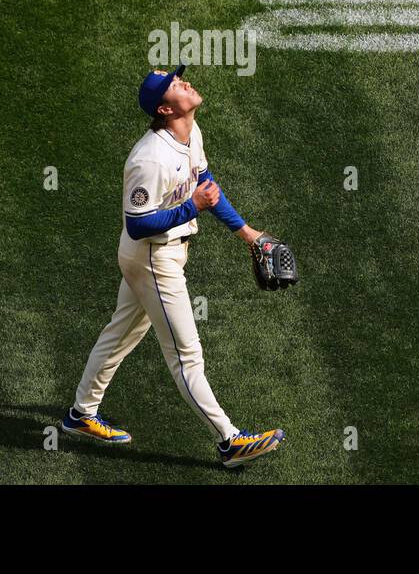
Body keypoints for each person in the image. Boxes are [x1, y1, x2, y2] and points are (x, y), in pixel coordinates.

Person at [61, 65, 285, 468]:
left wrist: (248, 234)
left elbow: (207, 186)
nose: (184, 82)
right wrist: (190, 207)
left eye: (179, 78)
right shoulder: (150, 159)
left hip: (164, 251)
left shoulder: (190, 132)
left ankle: (81, 414)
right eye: (174, 85)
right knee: (186, 354)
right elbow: (138, 222)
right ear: (164, 109)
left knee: (121, 333)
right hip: (151, 256)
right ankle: (229, 440)